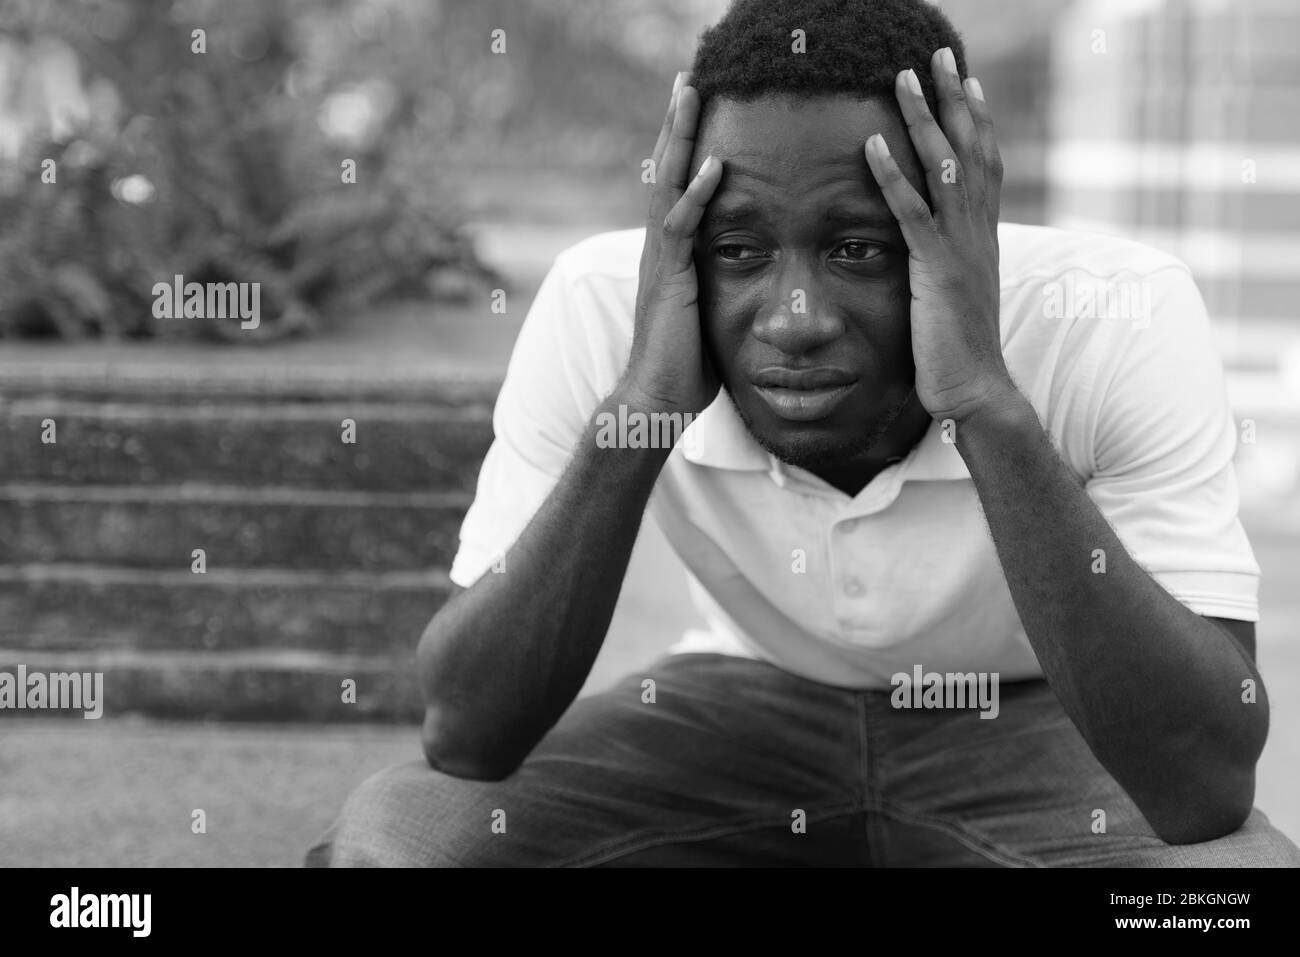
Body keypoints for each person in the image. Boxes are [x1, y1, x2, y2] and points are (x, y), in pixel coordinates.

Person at [308, 0, 1300, 866]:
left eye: (858, 247)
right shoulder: (607, 304)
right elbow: (468, 733)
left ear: (959, 219)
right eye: (738, 248)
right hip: (741, 708)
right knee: (406, 836)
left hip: (1043, 723)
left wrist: (984, 400)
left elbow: (1201, 784)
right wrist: (642, 403)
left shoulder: (1115, 316)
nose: (793, 318)